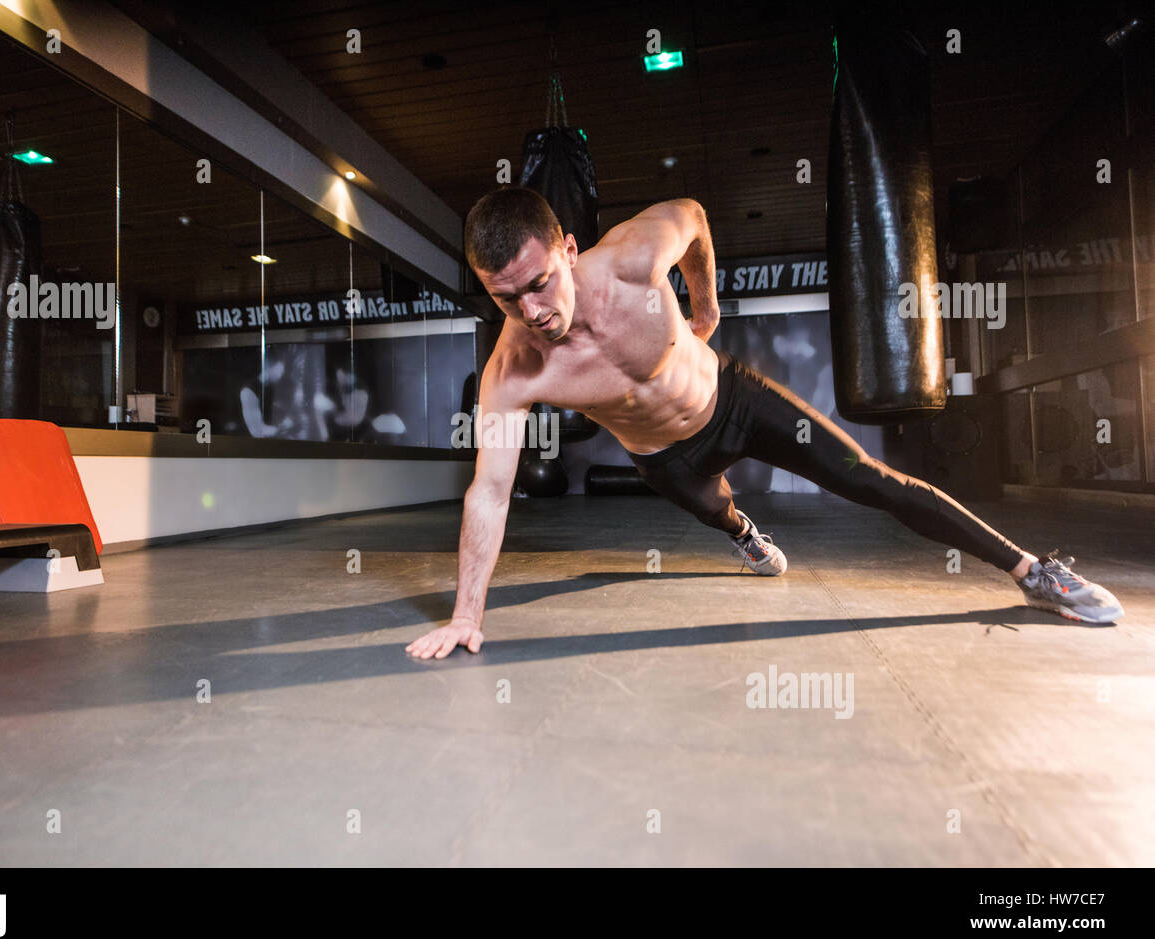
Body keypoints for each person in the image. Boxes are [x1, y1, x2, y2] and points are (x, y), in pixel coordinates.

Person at [406, 188, 1123, 660]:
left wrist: (706, 303)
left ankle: (1033, 572)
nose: (531, 311)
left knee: (871, 480)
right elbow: (489, 493)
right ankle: (745, 535)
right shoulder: (513, 372)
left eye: (539, 284)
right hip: (666, 460)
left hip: (735, 402)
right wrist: (467, 615)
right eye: (506, 299)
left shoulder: (633, 257)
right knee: (717, 512)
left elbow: (693, 215)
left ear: (567, 251)